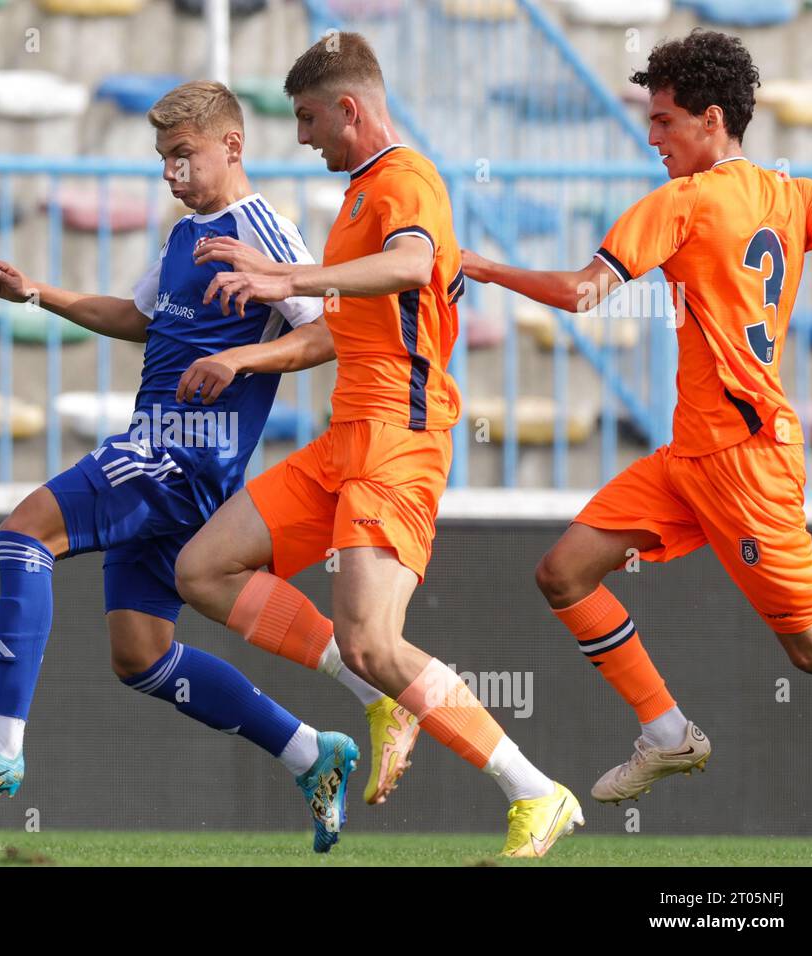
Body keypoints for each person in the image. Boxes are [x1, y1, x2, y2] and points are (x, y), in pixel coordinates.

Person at [0, 80, 410, 852]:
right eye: (162, 159)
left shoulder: (264, 228)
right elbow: (137, 318)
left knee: (23, 536)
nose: (171, 173)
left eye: (183, 155)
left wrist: (241, 358)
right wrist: (36, 292)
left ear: (233, 146)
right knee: (139, 655)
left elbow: (331, 335)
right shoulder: (186, 234)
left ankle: (2, 747)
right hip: (158, 447)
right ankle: (310, 751)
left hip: (180, 457)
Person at [176, 33, 581, 858]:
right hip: (344, 440)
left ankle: (536, 791)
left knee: (375, 640)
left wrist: (284, 278)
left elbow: (410, 266)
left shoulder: (406, 180)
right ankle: (379, 696)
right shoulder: (362, 194)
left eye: (308, 118)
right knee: (203, 569)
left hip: (400, 439)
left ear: (349, 109)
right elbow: (346, 328)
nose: (301, 136)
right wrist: (246, 354)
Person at [460, 30, 812, 804]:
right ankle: (668, 734)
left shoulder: (684, 202)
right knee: (563, 573)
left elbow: (579, 292)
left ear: (711, 119)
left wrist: (478, 264)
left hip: (743, 459)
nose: (652, 136)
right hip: (690, 457)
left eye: (665, 121)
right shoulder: (794, 197)